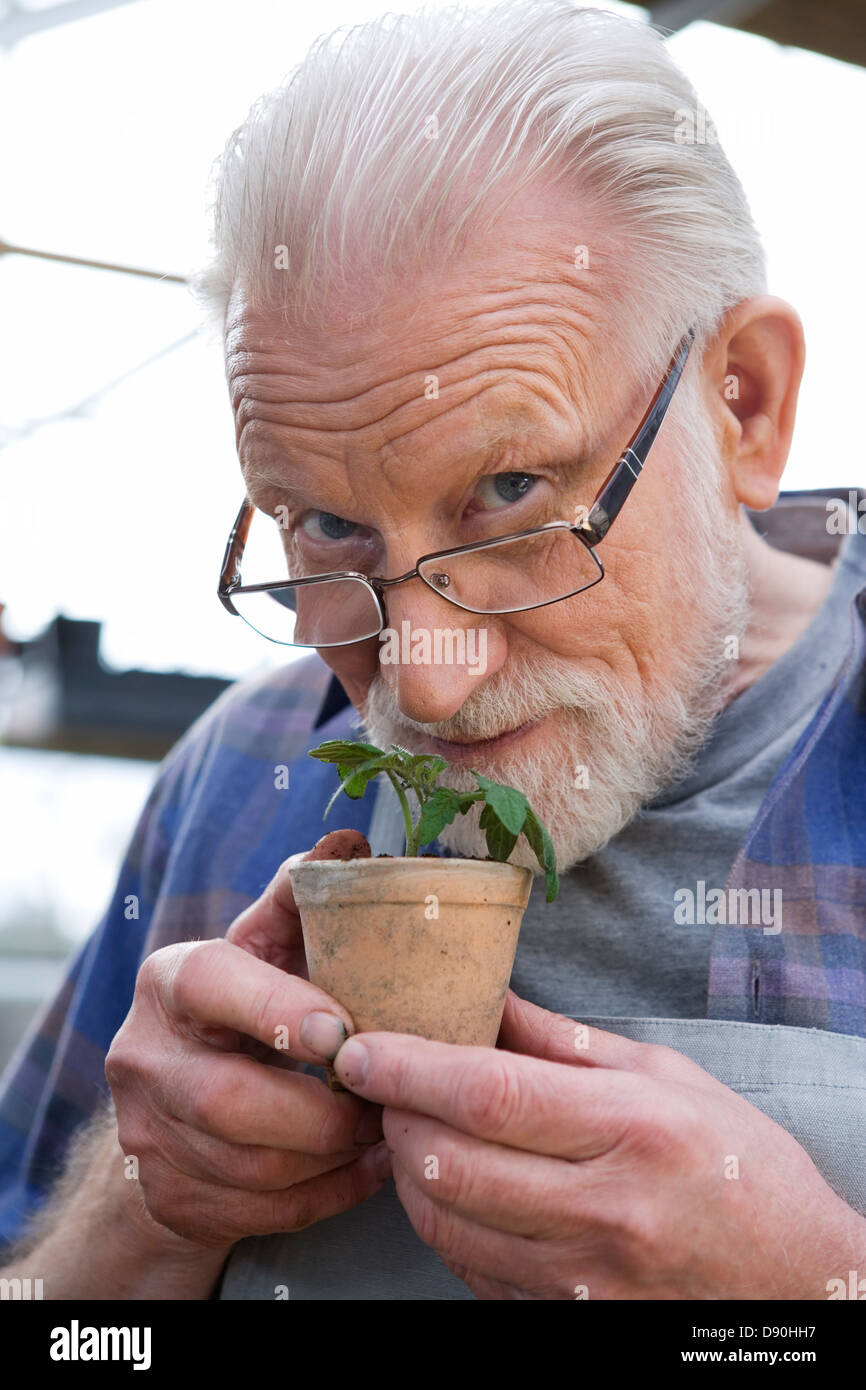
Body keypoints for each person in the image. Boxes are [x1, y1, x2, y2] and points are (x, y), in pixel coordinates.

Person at [1, 0, 864, 1300]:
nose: (422, 679)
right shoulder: (231, 778)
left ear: (743, 400)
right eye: (333, 522)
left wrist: (810, 1285)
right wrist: (139, 1214)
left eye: (509, 490)